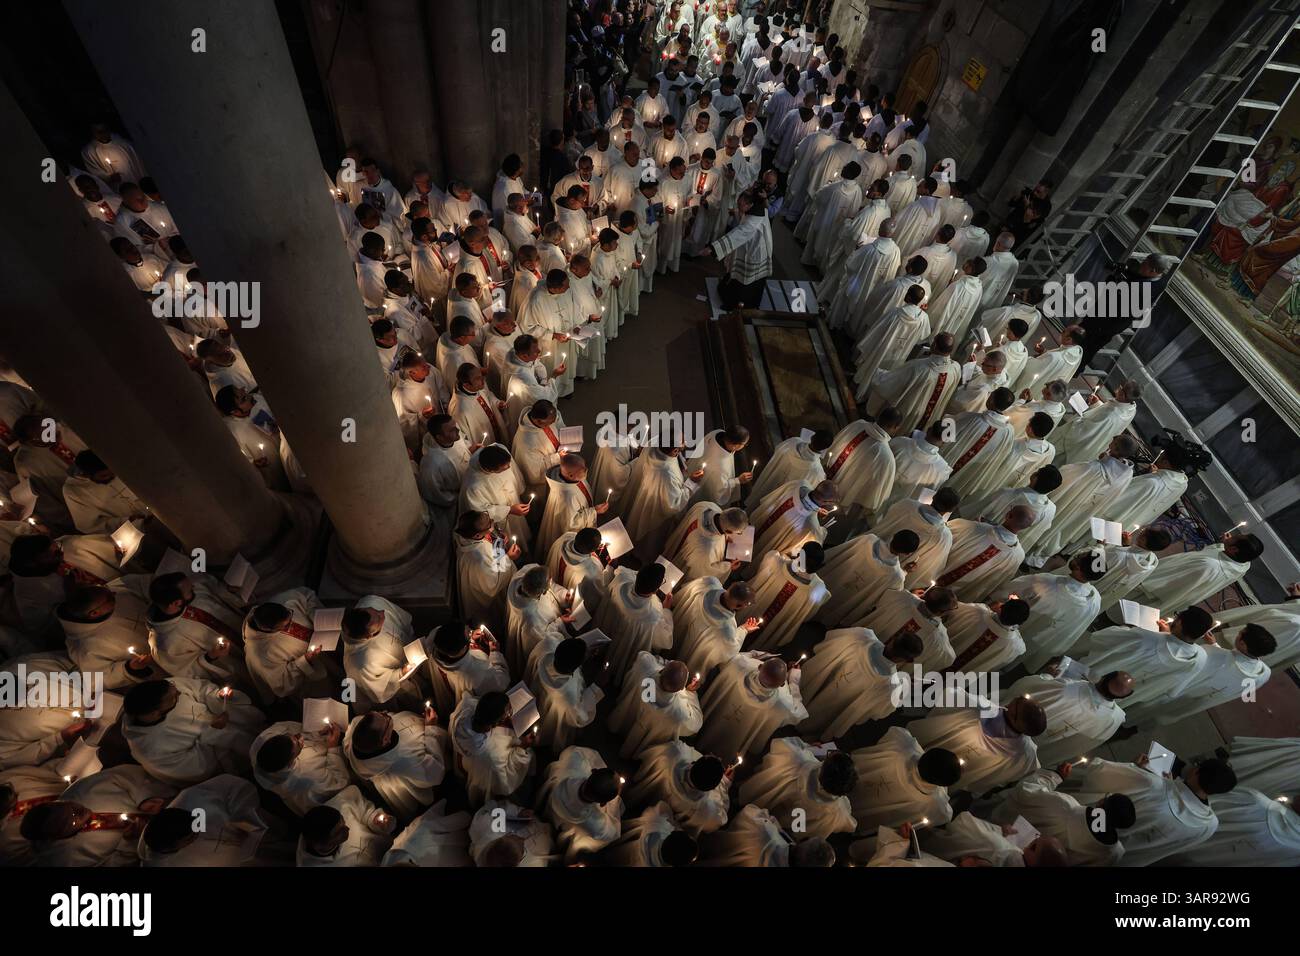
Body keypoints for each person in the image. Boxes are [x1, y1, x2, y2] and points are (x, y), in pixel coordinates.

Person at [1061, 755, 1236, 866]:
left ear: (1197, 770)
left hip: (1080, 836)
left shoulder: (1153, 784)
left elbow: (1098, 772)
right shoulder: (1209, 825)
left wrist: (1136, 768)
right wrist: (1171, 784)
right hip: (1114, 861)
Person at [1079, 606, 1215, 726]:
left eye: (1177, 616)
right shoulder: (1201, 657)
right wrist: (1165, 634)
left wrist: (1129, 628)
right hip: (1128, 694)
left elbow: (1102, 637)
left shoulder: (1147, 637)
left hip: (1097, 681)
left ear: (1179, 622)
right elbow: (1173, 691)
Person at [20, 766, 173, 867]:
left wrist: (144, 798)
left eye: (70, 807)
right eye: (72, 820)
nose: (79, 811)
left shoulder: (81, 790)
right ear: (56, 836)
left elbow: (123, 775)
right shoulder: (67, 860)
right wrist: (127, 844)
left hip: (169, 799)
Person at [121, 678, 264, 785]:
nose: (179, 693)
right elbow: (197, 769)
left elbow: (199, 689)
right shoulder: (150, 749)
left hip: (234, 722)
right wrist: (212, 731)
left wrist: (217, 696)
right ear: (154, 714)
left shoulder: (164, 689)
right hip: (226, 753)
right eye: (174, 697)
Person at [909, 696, 1047, 796]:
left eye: (1019, 700)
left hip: (915, 754)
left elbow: (951, 695)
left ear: (1012, 710)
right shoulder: (1027, 757)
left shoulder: (976, 707)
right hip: (937, 787)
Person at [799, 627, 921, 738]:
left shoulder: (861, 636)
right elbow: (876, 713)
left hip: (812, 687)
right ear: (909, 661)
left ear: (894, 637)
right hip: (831, 712)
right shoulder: (891, 687)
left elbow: (827, 642)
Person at [994, 553, 1104, 672]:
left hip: (1014, 628)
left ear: (1078, 568)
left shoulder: (1044, 583)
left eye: (1078, 558)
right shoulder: (1095, 599)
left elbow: (1007, 591)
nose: (1075, 557)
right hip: (1042, 639)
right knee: (1017, 654)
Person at [848, 727, 961, 832]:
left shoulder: (903, 742)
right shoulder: (934, 806)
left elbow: (895, 731)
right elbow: (946, 815)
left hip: (844, 773)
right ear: (940, 784)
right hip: (853, 815)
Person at [739, 740, 857, 839]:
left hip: (762, 799)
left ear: (825, 763)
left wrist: (807, 747)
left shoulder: (795, 758)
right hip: (776, 829)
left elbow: (779, 743)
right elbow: (850, 824)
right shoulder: (835, 814)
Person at [696, 653, 807, 757]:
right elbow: (798, 714)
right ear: (782, 684)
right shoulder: (783, 704)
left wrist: (756, 655)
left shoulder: (740, 665)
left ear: (759, 667)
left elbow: (731, 657)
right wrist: (794, 679)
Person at [1132, 532, 1262, 615]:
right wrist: (1224, 544)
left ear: (1234, 549)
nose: (1231, 535)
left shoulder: (1209, 566)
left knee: (1130, 604)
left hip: (1153, 588)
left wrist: (1142, 581)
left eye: (1234, 538)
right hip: (1175, 574)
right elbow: (1215, 552)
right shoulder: (1243, 565)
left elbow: (1174, 583)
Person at [241, 588, 336, 702]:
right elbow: (281, 684)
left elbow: (306, 595)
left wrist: (314, 615)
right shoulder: (258, 655)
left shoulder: (283, 600)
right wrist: (304, 660)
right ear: (266, 629)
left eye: (290, 616)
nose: (291, 625)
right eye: (285, 626)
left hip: (332, 643)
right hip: (316, 676)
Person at [538, 746, 624, 862]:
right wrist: (615, 800)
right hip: (567, 822)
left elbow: (573, 751)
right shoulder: (593, 821)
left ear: (593, 771)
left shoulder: (577, 766)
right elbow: (612, 833)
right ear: (603, 803)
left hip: (553, 799)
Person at [593, 564, 675, 684]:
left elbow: (622, 569)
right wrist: (666, 610)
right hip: (623, 649)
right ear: (655, 590)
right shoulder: (654, 615)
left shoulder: (621, 580)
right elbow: (665, 641)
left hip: (607, 631)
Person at [624, 743, 731, 834]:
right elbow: (719, 820)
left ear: (694, 762)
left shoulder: (672, 754)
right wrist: (724, 783)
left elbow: (648, 754)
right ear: (711, 789)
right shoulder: (706, 810)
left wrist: (707, 759)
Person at [448, 692, 535, 804]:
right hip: (478, 768)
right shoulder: (491, 758)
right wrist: (522, 748)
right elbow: (506, 779)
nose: (510, 713)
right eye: (508, 712)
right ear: (496, 723)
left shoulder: (465, 709)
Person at [340, 595, 423, 713]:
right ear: (368, 636)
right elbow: (379, 688)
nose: (383, 613)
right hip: (405, 683)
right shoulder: (360, 664)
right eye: (379, 619)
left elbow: (401, 619)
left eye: (376, 611)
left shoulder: (371, 602)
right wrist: (401, 673)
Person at [934, 505, 1034, 603]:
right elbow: (997, 583)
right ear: (1026, 527)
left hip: (930, 578)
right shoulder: (1018, 556)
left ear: (1009, 515)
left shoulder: (971, 527)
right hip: (955, 597)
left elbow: (938, 537)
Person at [816, 530, 915, 626]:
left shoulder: (869, 540)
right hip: (843, 603)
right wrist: (905, 572)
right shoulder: (896, 576)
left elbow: (840, 551)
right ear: (908, 554)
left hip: (825, 584)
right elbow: (885, 600)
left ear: (894, 535)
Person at [251, 720, 350, 816]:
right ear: (290, 762)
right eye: (298, 744)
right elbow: (340, 782)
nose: (300, 738)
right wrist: (333, 748)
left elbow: (290, 727)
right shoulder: (305, 785)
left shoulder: (263, 740)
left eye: (293, 736)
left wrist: (315, 732)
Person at [867, 333, 961, 430]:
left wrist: (876, 372)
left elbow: (889, 383)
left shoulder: (917, 367)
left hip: (908, 414)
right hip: (926, 418)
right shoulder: (956, 369)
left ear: (935, 345)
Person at [745, 542, 831, 649]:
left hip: (755, 609)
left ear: (799, 554)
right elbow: (807, 614)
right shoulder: (818, 589)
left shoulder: (775, 562)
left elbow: (759, 577)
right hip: (777, 623)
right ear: (819, 566)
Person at [702, 190, 773, 308]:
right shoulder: (758, 209)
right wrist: (736, 211)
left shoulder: (752, 223)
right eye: (738, 203)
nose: (738, 206)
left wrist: (712, 249)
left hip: (755, 252)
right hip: (752, 246)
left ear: (749, 204)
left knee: (746, 280)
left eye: (740, 205)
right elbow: (744, 216)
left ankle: (735, 304)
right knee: (740, 278)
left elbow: (737, 234)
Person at [426, 620, 510, 718]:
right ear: (463, 648)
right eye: (469, 634)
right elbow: (502, 682)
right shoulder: (477, 673)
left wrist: (471, 637)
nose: (472, 631)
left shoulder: (434, 641)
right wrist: (495, 652)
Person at [296, 786, 395, 867]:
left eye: (343, 822)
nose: (347, 829)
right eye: (338, 832)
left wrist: (374, 819)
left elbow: (365, 812)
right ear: (320, 844)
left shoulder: (342, 803)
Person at [1050, 380, 1141, 466]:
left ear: (1122, 395)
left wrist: (1079, 414)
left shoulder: (1112, 414)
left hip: (1077, 446)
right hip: (1094, 446)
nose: (1117, 388)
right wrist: (1097, 404)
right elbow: (1104, 423)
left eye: (1121, 388)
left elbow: (1083, 433)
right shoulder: (1131, 408)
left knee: (1052, 459)